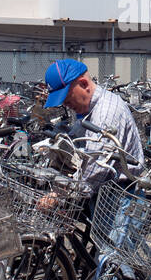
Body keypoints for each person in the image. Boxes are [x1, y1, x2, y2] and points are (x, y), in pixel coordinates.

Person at [43, 59, 145, 189]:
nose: (65, 104)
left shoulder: (105, 114)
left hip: (118, 192)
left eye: (67, 99)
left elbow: (95, 171)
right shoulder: (87, 106)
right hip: (104, 187)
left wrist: (60, 196)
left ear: (84, 84)